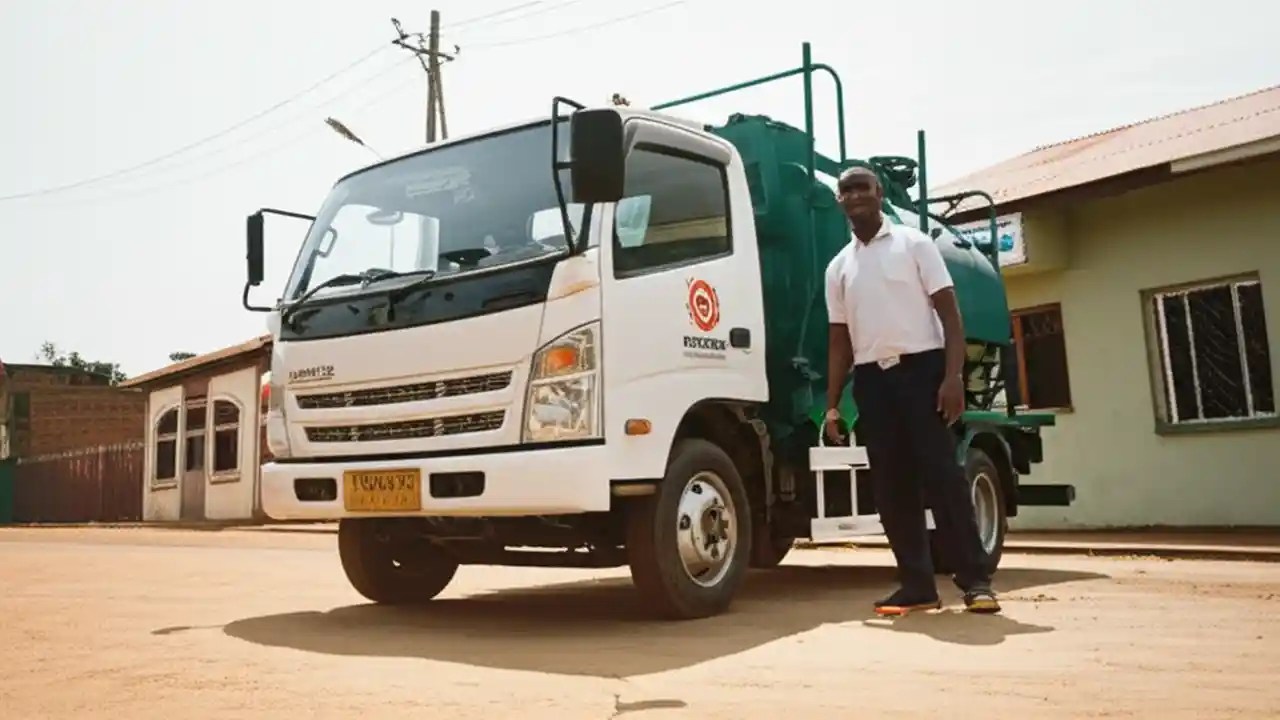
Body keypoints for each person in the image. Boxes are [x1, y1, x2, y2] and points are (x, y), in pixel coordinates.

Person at [822, 164, 1000, 615]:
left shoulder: (915, 244)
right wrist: (831, 406)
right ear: (839, 200)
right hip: (872, 382)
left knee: (943, 479)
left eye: (862, 187)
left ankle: (975, 581)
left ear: (879, 193)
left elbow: (950, 316)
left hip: (922, 371)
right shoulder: (839, 266)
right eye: (846, 190)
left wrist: (952, 376)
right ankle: (918, 585)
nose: (855, 195)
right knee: (891, 488)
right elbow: (839, 340)